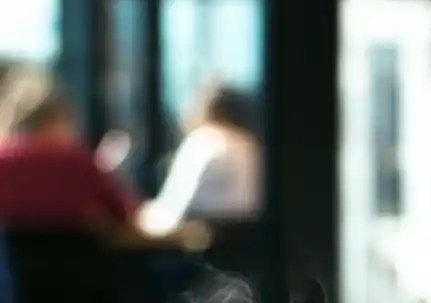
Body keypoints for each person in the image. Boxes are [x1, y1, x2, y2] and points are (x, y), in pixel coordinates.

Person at [0, 70, 138, 227]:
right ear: (57, 119)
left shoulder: (3, 160)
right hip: (81, 251)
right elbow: (123, 211)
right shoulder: (77, 161)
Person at [140, 83, 261, 235]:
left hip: (204, 238)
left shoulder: (204, 141)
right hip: (251, 239)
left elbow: (175, 207)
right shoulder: (250, 144)